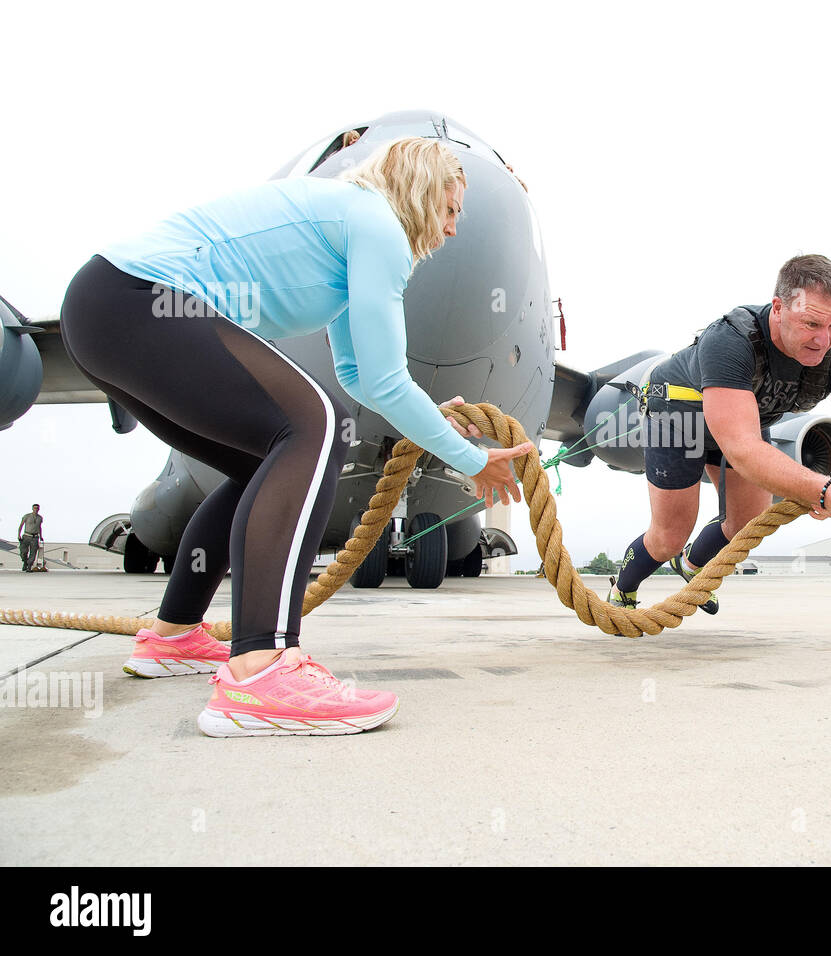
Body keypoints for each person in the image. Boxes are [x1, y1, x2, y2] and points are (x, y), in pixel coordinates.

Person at [59, 137, 532, 736]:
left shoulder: (348, 225)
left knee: (258, 462)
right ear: (419, 191)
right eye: (450, 208)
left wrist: (432, 416)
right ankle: (261, 671)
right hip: (137, 300)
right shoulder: (378, 225)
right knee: (317, 427)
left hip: (104, 310)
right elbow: (385, 382)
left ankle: (173, 636)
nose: (453, 227)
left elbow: (361, 375)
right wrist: (471, 458)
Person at [608, 254, 831, 613]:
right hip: (680, 416)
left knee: (748, 523)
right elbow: (742, 448)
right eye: (811, 323)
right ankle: (623, 589)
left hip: (743, 420)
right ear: (778, 308)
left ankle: (691, 566)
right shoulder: (731, 340)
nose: (823, 339)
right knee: (669, 535)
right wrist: (827, 491)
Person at [18, 504, 43, 572]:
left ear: (39, 509)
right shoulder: (27, 516)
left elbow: (39, 527)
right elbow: (21, 525)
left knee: (33, 552)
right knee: (23, 552)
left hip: (35, 537)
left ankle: (29, 566)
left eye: (37, 508)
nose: (36, 509)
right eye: (35, 508)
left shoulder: (40, 518)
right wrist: (19, 535)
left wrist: (41, 536)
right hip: (26, 536)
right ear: (32, 508)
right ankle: (25, 562)